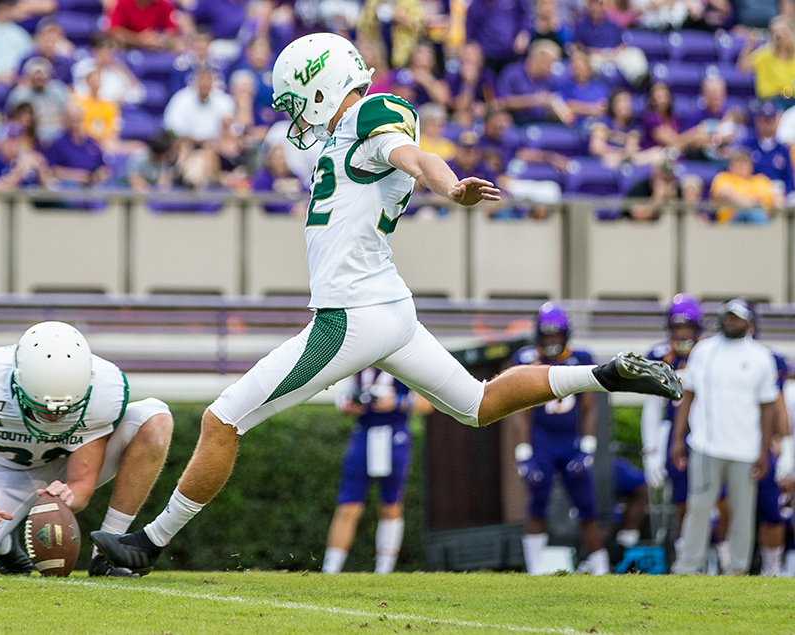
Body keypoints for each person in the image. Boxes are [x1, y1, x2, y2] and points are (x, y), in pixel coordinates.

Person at [90, 32, 682, 575]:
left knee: (224, 417)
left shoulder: (374, 114)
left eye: (297, 102)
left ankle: (150, 543)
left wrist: (449, 186)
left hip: (351, 316)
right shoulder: (349, 134)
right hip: (388, 308)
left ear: (321, 89)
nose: (296, 117)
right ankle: (603, 374)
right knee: (477, 404)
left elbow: (413, 156)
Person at [0, 321, 174, 577]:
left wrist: (70, 494)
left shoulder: (103, 392)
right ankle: (6, 545)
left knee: (155, 417)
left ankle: (110, 550)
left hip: (63, 465)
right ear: (17, 383)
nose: (55, 418)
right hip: (2, 469)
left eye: (68, 410)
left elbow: (82, 483)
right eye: (42, 408)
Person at [670, 299, 779, 575]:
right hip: (706, 445)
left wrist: (764, 450)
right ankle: (687, 567)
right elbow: (688, 395)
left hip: (745, 448)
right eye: (728, 317)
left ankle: (739, 569)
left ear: (749, 322)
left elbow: (768, 408)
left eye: (737, 319)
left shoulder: (760, 357)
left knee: (743, 512)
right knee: (698, 507)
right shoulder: (704, 351)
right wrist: (678, 438)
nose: (731, 322)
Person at [508, 304, 609, 575]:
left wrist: (587, 448)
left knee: (586, 506)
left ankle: (601, 569)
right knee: (536, 502)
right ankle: (535, 570)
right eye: (546, 334)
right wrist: (524, 451)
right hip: (542, 440)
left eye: (556, 334)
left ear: (566, 334)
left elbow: (590, 406)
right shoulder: (526, 358)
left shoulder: (581, 357)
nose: (551, 340)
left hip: (570, 440)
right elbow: (521, 409)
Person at [322, 368, 423, 574]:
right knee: (348, 505)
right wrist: (348, 405)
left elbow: (426, 403)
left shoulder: (403, 361)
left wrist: (396, 402)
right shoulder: (360, 362)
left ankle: (384, 570)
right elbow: (343, 396)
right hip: (363, 434)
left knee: (391, 504)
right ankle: (330, 569)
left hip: (394, 435)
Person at [640, 294, 703, 541]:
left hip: (707, 433)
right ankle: (685, 556)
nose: (683, 334)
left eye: (688, 327)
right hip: (675, 435)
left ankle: (718, 558)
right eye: (678, 327)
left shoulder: (708, 352)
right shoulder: (659, 355)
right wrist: (651, 451)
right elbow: (652, 406)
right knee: (681, 502)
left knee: (715, 501)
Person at [748, 311, 793, 576]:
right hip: (727, 442)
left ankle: (772, 570)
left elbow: (778, 407)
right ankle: (724, 566)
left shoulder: (768, 358)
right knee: (723, 507)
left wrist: (786, 449)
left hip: (761, 444)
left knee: (771, 509)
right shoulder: (712, 353)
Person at [495, 40, 573, 126]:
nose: (551, 69)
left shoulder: (548, 81)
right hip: (514, 124)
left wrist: (559, 111)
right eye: (550, 63)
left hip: (540, 125)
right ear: (540, 59)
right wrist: (536, 100)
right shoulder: (512, 73)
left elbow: (548, 111)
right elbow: (501, 103)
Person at [163, 65, 236, 143]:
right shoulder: (180, 99)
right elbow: (171, 127)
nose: (205, 83)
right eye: (202, 79)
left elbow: (234, 128)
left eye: (208, 79)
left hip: (215, 146)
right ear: (194, 81)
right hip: (187, 143)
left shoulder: (224, 101)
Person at [709, 148, 777, 224]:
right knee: (749, 211)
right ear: (730, 166)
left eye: (745, 162)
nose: (741, 165)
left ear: (751, 166)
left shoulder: (761, 180)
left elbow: (777, 197)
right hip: (731, 222)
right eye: (737, 162)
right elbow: (724, 193)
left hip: (762, 218)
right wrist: (749, 203)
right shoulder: (724, 178)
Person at [739, 18, 795, 105]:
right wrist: (749, 44)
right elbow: (743, 67)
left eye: (783, 31)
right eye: (775, 32)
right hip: (770, 101)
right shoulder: (764, 54)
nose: (779, 35)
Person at [742, 101, 793, 196]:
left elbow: (789, 178)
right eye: (764, 121)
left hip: (779, 192)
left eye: (770, 122)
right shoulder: (747, 147)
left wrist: (785, 193)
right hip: (754, 192)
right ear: (758, 122)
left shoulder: (783, 150)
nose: (767, 126)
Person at [107, 0, 177, 50]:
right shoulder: (123, 3)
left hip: (153, 48)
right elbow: (115, 30)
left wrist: (158, 39)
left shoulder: (162, 4)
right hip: (127, 47)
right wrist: (139, 39)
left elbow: (171, 31)